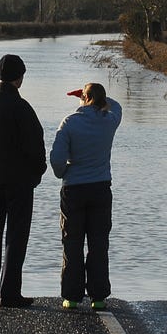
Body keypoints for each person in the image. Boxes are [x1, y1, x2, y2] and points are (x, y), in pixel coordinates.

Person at [0, 54, 47, 308]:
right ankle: (10, 291)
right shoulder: (22, 107)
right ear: (20, 77)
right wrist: (38, 172)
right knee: (16, 235)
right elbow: (36, 145)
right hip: (20, 180)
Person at [49, 82, 122, 311]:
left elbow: (57, 159)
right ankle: (98, 296)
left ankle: (71, 296)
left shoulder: (70, 122)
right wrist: (94, 98)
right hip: (101, 188)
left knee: (72, 242)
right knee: (98, 243)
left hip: (74, 190)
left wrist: (64, 172)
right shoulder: (110, 121)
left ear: (84, 98)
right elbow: (116, 106)